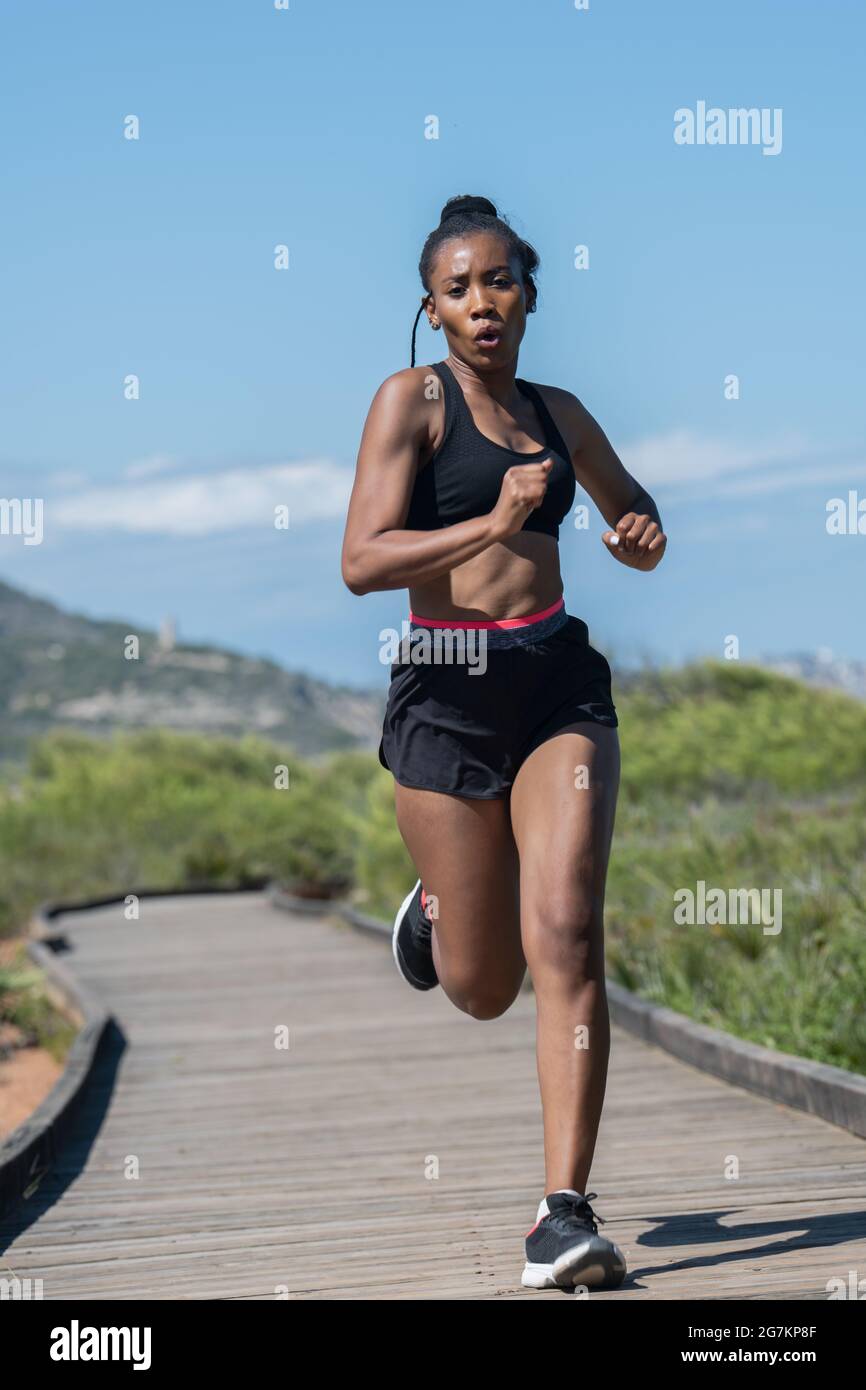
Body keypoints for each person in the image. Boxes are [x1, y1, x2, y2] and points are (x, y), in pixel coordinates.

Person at [340, 194, 667, 1291]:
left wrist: (636, 532)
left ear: (527, 289)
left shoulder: (560, 411)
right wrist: (489, 519)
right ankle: (437, 909)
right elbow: (361, 559)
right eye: (457, 288)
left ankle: (561, 1211)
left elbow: (633, 514)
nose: (481, 303)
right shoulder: (411, 403)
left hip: (554, 683)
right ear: (430, 311)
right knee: (483, 986)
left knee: (568, 929)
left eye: (498, 281)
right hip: (444, 688)